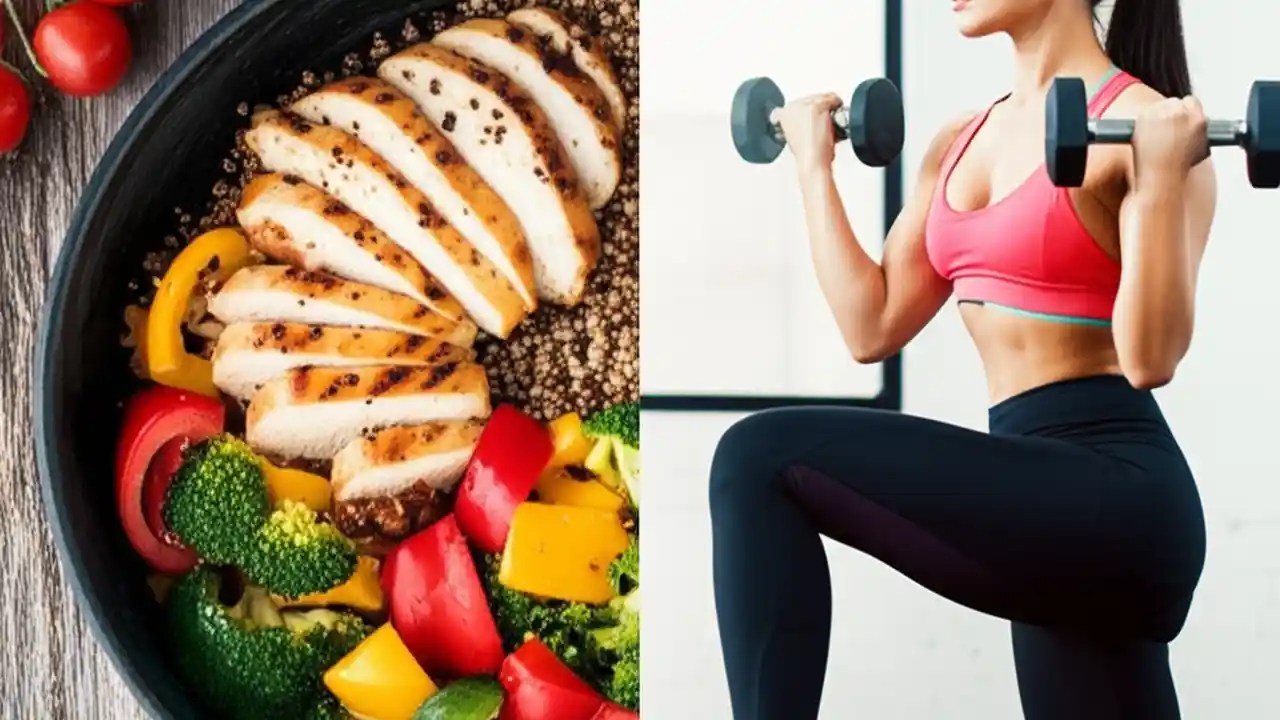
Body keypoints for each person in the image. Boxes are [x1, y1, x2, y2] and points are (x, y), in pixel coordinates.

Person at [708, 1, 1217, 719]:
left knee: (756, 456)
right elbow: (871, 325)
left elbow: (1150, 359)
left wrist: (1161, 177)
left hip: (1116, 499)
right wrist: (814, 165)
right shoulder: (962, 141)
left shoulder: (1148, 126)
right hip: (1040, 501)